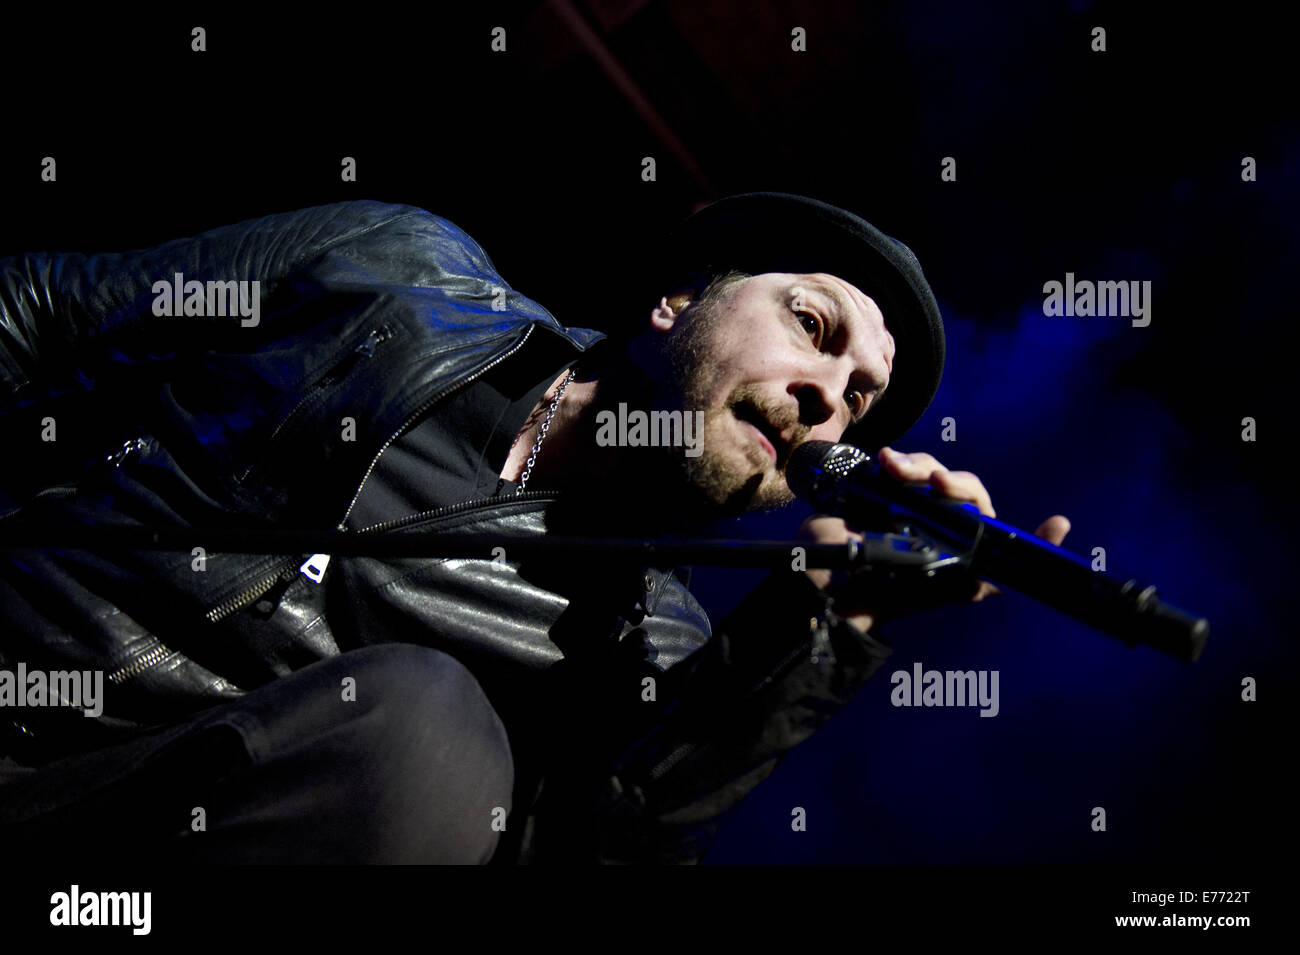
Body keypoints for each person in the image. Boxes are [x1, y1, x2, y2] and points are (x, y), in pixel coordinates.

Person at [0, 192, 1069, 864]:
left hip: (99, 863)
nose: (829, 396)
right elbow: (46, 307)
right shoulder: (402, 274)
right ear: (675, 305)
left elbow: (601, 844)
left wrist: (831, 626)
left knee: (429, 737)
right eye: (810, 324)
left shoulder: (649, 652)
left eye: (860, 399)